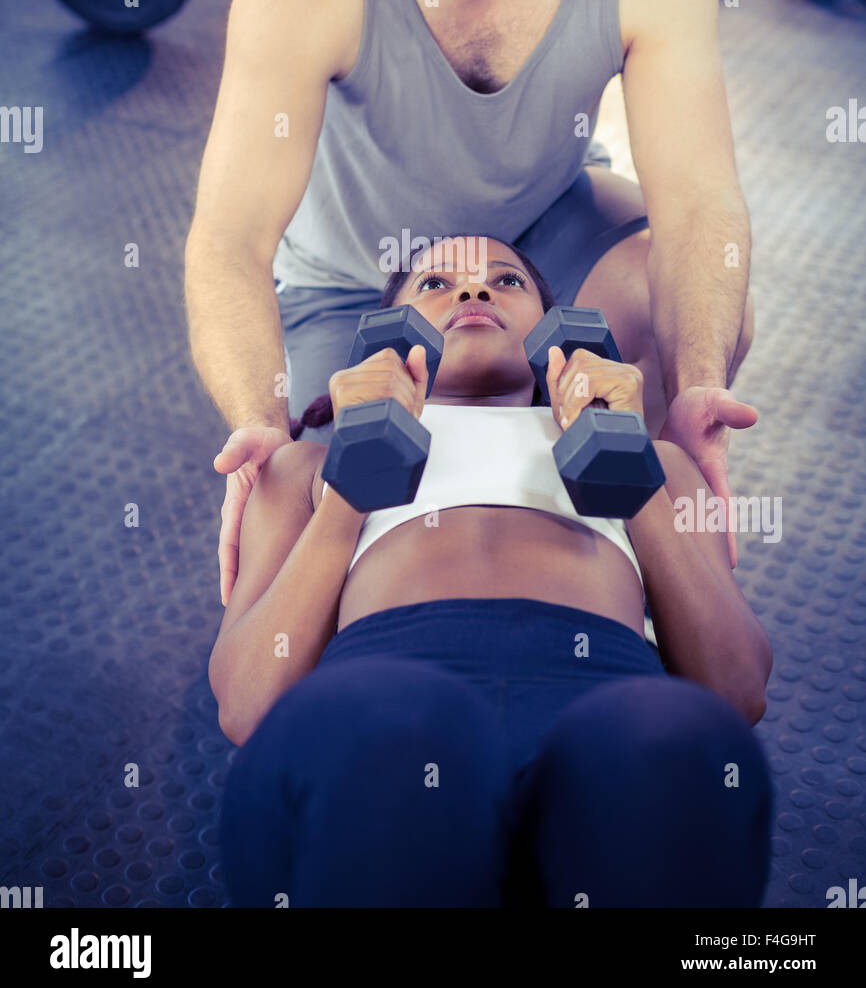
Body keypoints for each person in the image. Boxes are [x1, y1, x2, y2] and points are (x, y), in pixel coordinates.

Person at [184, 0, 757, 611]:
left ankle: (616, 555)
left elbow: (700, 202)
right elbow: (228, 238)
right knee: (318, 484)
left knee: (684, 303)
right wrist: (257, 419)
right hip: (354, 275)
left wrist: (696, 386)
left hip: (540, 232)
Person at [212, 236, 773, 909]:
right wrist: (348, 495)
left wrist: (634, 477)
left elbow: (735, 691)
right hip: (386, 712)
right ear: (387, 341)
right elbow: (247, 706)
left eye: (505, 282)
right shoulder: (304, 470)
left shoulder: (658, 466)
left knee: (676, 738)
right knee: (392, 724)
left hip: (598, 701)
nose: (474, 292)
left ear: (556, 334)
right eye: (435, 285)